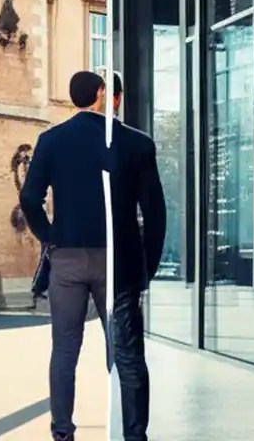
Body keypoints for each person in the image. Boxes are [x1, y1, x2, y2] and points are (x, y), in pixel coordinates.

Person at [19, 71, 112, 441]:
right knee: (119, 345)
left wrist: (49, 235)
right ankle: (122, 423)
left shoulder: (51, 140)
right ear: (101, 94)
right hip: (110, 257)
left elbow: (29, 199)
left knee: (64, 351)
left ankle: (62, 433)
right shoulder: (117, 139)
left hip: (67, 258)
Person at [104, 72, 166, 441]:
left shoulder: (61, 140)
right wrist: (148, 267)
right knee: (128, 357)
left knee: (69, 351)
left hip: (76, 262)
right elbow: (155, 213)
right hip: (124, 266)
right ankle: (134, 436)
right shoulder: (138, 145)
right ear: (118, 99)